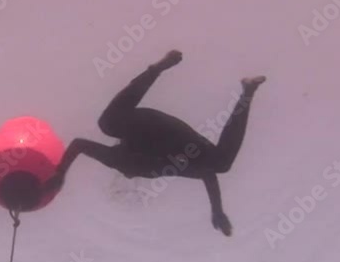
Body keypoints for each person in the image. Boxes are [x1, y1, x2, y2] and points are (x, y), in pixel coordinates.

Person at [44, 49, 266, 236]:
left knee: (221, 165)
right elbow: (79, 145)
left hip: (164, 132)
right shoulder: (123, 162)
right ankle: (159, 71)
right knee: (107, 124)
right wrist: (61, 173)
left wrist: (217, 210)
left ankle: (247, 92)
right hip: (161, 128)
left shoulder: (156, 169)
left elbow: (208, 175)